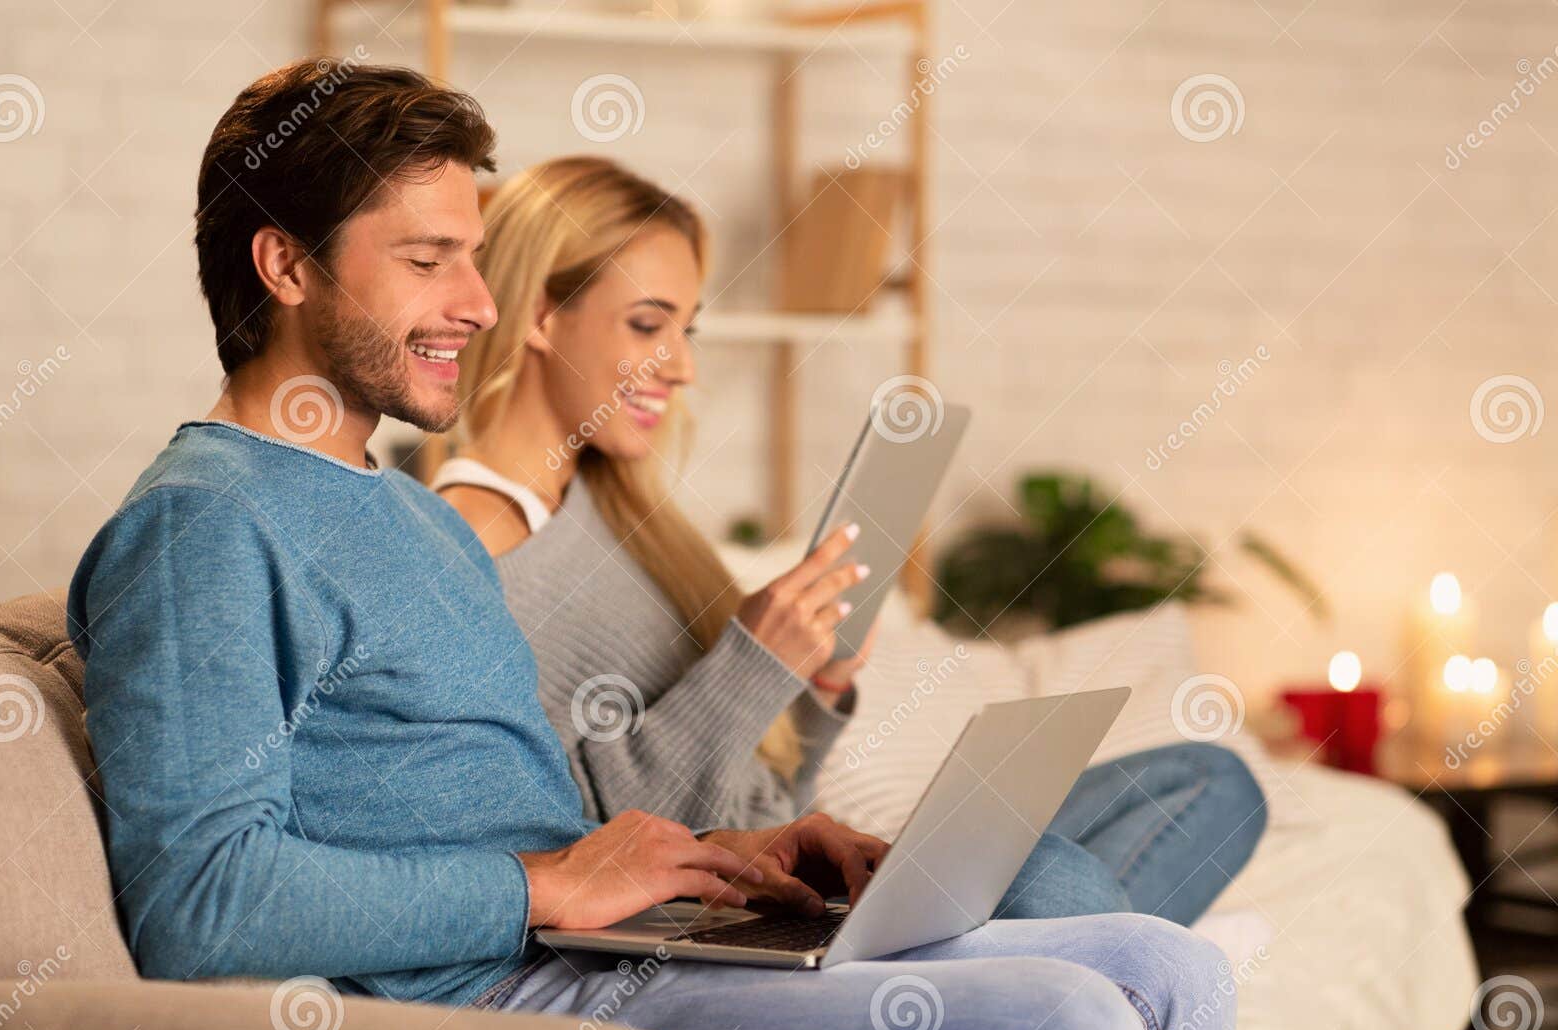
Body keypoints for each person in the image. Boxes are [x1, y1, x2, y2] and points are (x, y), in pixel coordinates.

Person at [67, 59, 1236, 1030]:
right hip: (497, 1000)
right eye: (429, 260)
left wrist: (720, 855)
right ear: (285, 265)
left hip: (600, 949)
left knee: (1171, 967)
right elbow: (199, 899)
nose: (478, 304)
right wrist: (549, 886)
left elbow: (527, 811)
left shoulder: (410, 518)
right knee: (1078, 1017)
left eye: (474, 259)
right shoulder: (202, 526)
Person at [438, 156, 1267, 925]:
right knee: (1055, 880)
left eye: (687, 331)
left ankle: (1058, 980)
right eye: (648, 324)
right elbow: (602, 845)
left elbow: (760, 798)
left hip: (792, 873)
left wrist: (816, 685)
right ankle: (1073, 983)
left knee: (1212, 782)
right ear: (541, 314)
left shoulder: (614, 509)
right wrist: (752, 663)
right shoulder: (474, 549)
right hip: (711, 917)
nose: (682, 367)